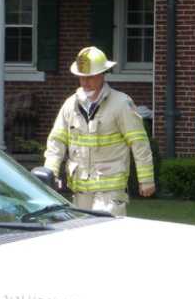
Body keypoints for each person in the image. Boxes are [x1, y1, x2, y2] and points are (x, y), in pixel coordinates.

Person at [44, 47, 154, 216]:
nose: (85, 82)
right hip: (80, 190)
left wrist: (146, 180)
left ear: (103, 74)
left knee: (105, 237)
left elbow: (139, 143)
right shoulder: (70, 105)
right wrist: (49, 174)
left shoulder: (121, 103)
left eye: (91, 77)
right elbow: (56, 142)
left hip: (110, 191)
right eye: (82, 77)